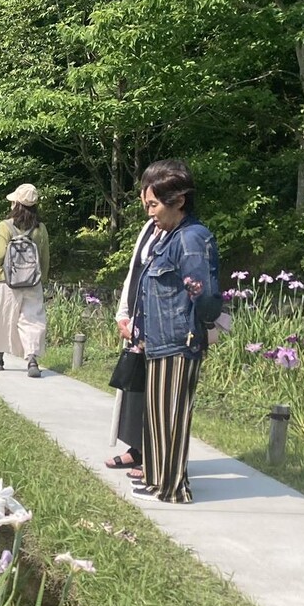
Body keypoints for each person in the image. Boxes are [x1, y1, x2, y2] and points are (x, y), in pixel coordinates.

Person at [127, 159, 219, 504]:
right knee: (156, 414)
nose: (149, 213)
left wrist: (201, 326)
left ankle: (172, 487)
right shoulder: (169, 237)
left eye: (153, 205)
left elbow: (207, 297)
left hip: (181, 341)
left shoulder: (192, 239)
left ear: (177, 201)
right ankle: (155, 478)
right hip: (159, 340)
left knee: (172, 417)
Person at [105, 212, 164, 477]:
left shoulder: (184, 234)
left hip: (160, 326)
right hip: (137, 320)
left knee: (155, 391)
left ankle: (154, 456)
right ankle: (136, 448)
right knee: (134, 387)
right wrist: (123, 313)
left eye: (154, 202)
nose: (150, 210)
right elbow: (134, 272)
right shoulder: (149, 227)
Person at [0, 183, 50, 378]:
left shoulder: (5, 226)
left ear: (17, 204)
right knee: (32, 319)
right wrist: (42, 279)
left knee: (4, 318)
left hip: (8, 280)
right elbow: (45, 256)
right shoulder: (40, 228)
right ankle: (32, 359)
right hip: (33, 281)